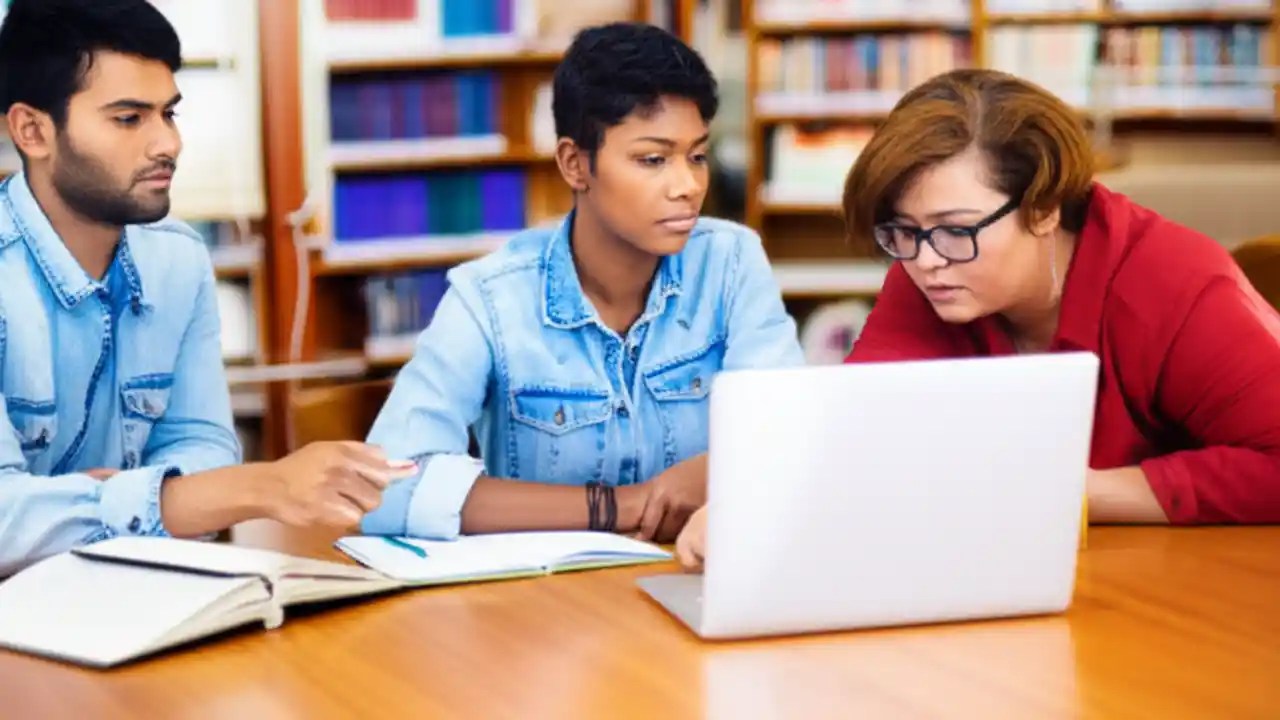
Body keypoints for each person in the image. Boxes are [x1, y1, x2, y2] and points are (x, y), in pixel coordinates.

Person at [0, 0, 415, 576]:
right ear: (32, 130)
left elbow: (205, 448)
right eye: (128, 119)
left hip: (130, 593)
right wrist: (228, 490)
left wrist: (96, 503)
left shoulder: (178, 258)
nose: (167, 144)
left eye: (168, 113)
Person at [361, 22, 803, 545]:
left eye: (698, 156)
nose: (688, 186)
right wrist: (622, 505)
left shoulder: (732, 262)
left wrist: (722, 468)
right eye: (653, 159)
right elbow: (386, 490)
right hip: (547, 610)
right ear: (575, 164)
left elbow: (791, 439)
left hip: (694, 583)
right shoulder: (490, 299)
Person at [840, 68, 1280, 525]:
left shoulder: (1177, 284)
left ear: (1044, 208)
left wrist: (1073, 491)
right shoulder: (932, 271)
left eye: (956, 228)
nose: (925, 260)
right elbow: (860, 438)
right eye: (903, 230)